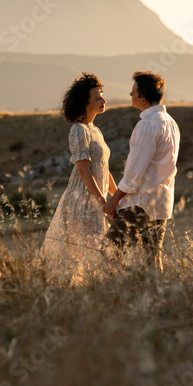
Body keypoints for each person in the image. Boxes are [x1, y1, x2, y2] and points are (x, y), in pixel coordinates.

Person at [103, 70, 180, 270]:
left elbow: (134, 172)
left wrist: (115, 200)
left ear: (143, 99)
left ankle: (118, 288)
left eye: (133, 92)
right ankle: (153, 294)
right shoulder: (171, 123)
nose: (130, 95)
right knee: (153, 258)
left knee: (109, 249)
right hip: (162, 200)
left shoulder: (147, 125)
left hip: (141, 202)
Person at [41, 72, 116, 274]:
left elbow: (103, 168)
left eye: (102, 95)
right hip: (83, 201)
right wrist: (102, 202)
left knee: (101, 249)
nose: (103, 100)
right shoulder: (78, 131)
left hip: (97, 200)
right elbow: (83, 171)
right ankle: (124, 280)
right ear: (85, 104)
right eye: (98, 98)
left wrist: (116, 196)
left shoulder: (95, 130)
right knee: (99, 249)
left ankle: (116, 281)